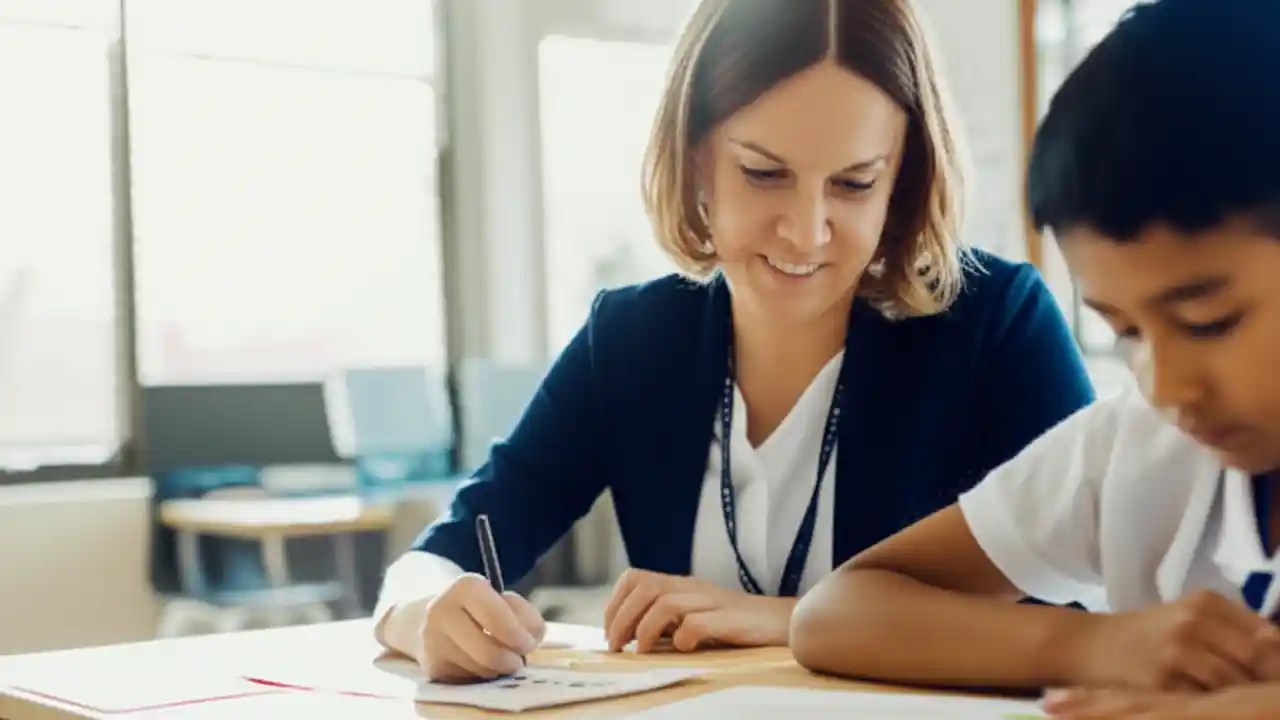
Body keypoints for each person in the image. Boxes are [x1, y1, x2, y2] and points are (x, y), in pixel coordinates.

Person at [375, 0, 1093, 683]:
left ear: (901, 181)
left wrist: (789, 622)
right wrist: (423, 612)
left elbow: (1090, 607)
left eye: (853, 184)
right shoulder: (630, 340)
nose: (806, 230)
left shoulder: (996, 325)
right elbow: (441, 554)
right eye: (764, 173)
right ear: (695, 160)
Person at [791, 0, 1280, 698]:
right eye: (1127, 333)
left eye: (1209, 320)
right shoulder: (1135, 449)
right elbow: (836, 613)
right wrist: (1090, 644)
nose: (1166, 385)